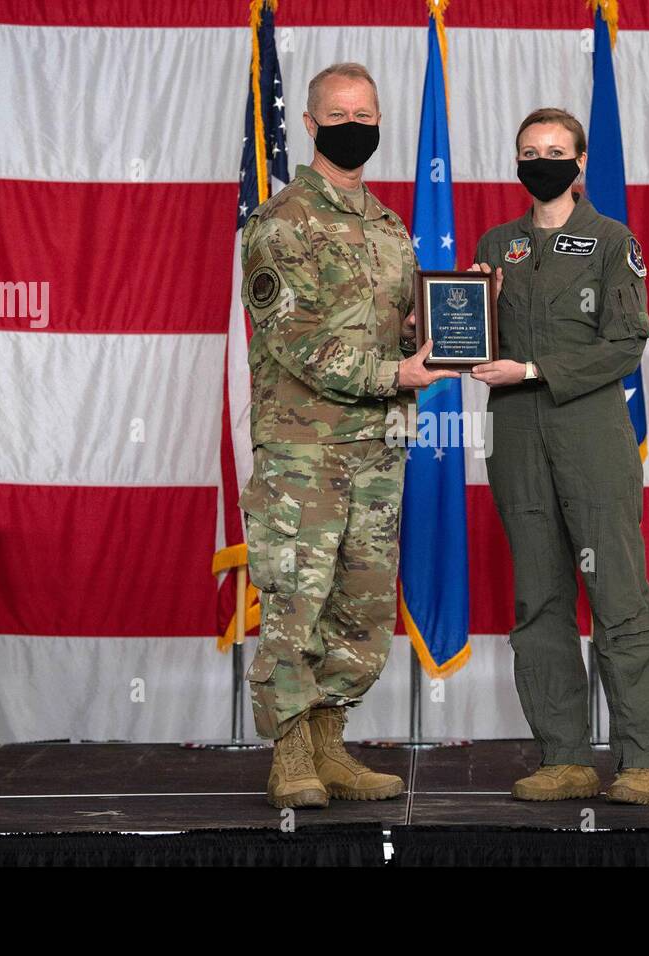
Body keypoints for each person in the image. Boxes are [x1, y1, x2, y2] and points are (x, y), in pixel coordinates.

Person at [238, 62, 457, 809]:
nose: (355, 123)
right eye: (340, 112)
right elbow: (296, 340)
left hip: (377, 450)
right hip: (305, 453)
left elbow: (397, 327)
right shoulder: (280, 223)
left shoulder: (389, 228)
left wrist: (452, 323)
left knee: (360, 611)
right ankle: (290, 755)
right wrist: (397, 375)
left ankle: (331, 747)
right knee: (296, 603)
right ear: (310, 124)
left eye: (366, 111)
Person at [471, 107, 649, 805]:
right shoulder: (497, 243)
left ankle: (643, 758)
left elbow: (626, 343)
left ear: (580, 162)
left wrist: (531, 370)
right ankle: (563, 756)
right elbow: (468, 335)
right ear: (516, 160)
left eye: (555, 150)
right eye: (530, 150)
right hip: (517, 441)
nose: (542, 160)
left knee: (616, 594)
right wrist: (464, 309)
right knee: (540, 600)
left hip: (589, 435)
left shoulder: (612, 241)